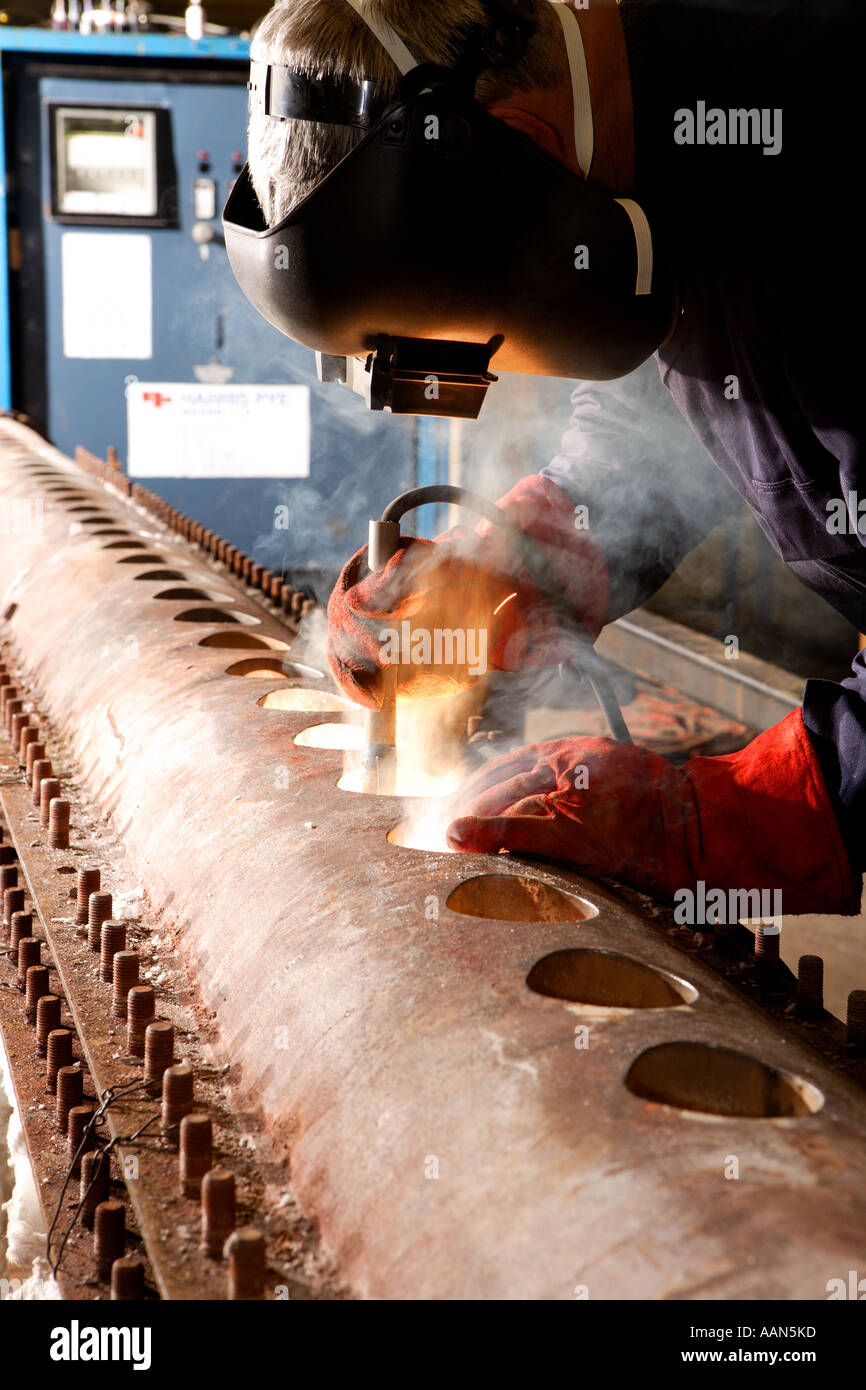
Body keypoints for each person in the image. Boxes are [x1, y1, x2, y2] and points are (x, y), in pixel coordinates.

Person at [240, 0, 865, 917]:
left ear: (523, 145)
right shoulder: (653, 175)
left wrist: (752, 813)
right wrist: (517, 568)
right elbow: (668, 410)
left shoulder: (823, 168)